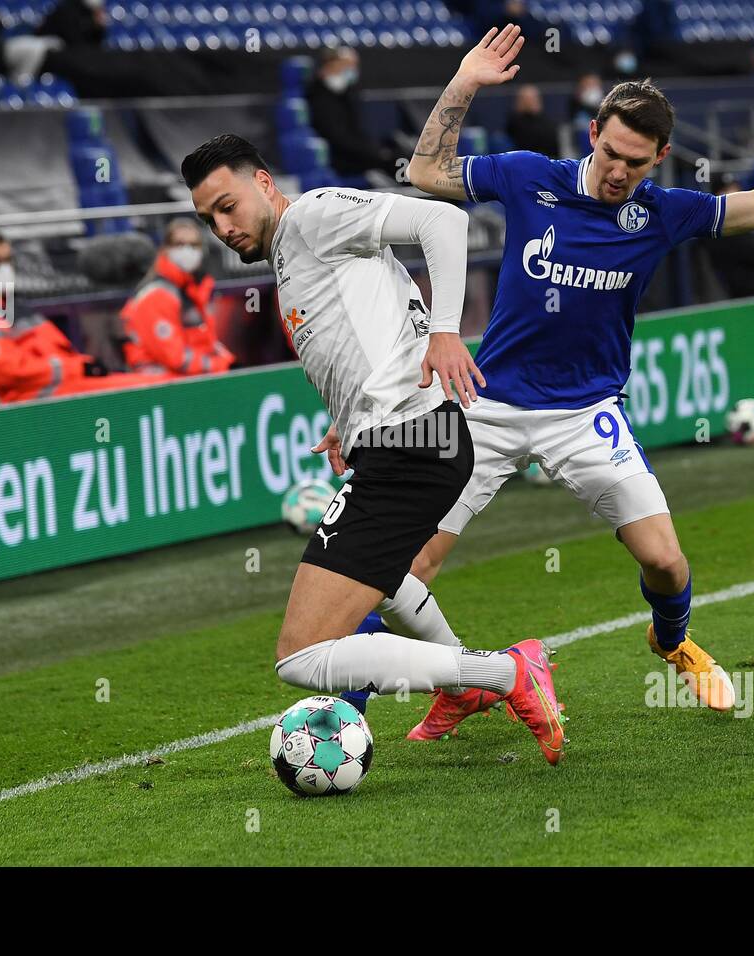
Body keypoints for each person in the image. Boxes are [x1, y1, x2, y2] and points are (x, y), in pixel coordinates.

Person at [402, 26, 754, 737]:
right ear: (593, 133)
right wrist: (465, 82)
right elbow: (425, 175)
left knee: (667, 563)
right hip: (486, 405)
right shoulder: (529, 175)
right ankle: (405, 689)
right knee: (405, 569)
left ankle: (671, 639)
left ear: (660, 157)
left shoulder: (663, 212)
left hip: (585, 412)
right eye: (610, 153)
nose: (619, 171)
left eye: (636, 162)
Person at [182, 134, 565, 764]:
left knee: (301, 657)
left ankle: (503, 673)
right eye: (207, 220)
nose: (221, 227)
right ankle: (468, 689)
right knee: (382, 580)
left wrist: (446, 332)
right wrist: (348, 419)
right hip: (405, 438)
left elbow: (443, 219)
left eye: (227, 206)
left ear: (265, 182)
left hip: (412, 443)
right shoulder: (292, 255)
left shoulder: (311, 216)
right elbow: (368, 328)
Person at [0, 228, 167, 402]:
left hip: (63, 392)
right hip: (42, 403)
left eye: (7, 260)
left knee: (157, 384)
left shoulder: (12, 308)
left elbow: (55, 357)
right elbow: (10, 372)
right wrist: (77, 367)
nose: (4, 268)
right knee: (150, 390)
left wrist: (82, 365)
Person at [119, 219, 235, 376]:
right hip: (159, 387)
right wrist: (221, 366)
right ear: (166, 248)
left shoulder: (194, 288)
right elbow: (176, 358)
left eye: (194, 245)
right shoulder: (157, 295)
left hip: (189, 379)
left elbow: (208, 341)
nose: (187, 250)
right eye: (179, 244)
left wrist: (230, 363)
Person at [304, 47, 396, 181]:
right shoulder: (319, 97)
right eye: (347, 66)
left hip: (356, 153)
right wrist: (376, 153)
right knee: (392, 162)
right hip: (341, 159)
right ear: (331, 65)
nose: (352, 71)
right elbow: (338, 137)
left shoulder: (344, 94)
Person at [506, 84, 559, 158]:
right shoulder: (516, 119)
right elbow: (524, 139)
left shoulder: (546, 119)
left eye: (533, 98)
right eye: (527, 99)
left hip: (548, 155)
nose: (531, 102)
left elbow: (552, 139)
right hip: (524, 156)